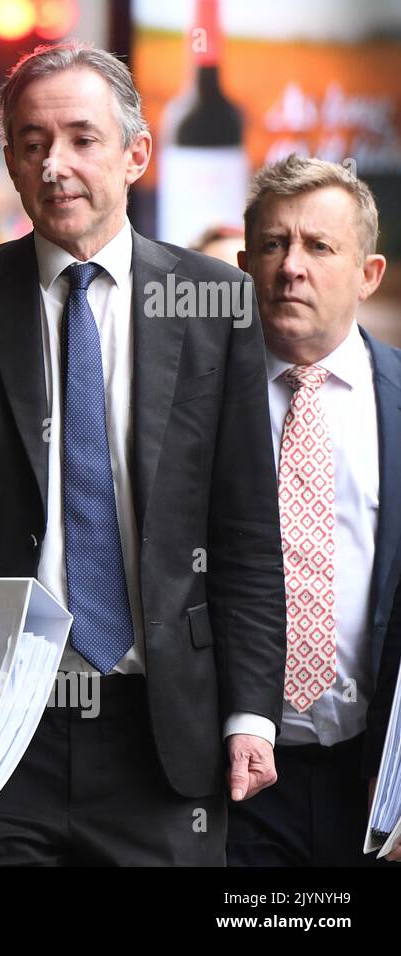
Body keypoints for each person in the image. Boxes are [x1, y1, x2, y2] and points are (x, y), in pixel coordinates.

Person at [0, 42, 286, 865]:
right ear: (9, 160)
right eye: (33, 143)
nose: (56, 165)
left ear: (135, 154)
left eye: (83, 138)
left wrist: (252, 713)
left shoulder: (214, 302)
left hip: (162, 737)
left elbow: (247, 526)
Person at [227, 154, 401, 866]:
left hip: (371, 785)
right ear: (244, 265)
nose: (291, 266)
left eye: (319, 246)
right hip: (228, 784)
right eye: (273, 245)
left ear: (369, 274)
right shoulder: (198, 400)